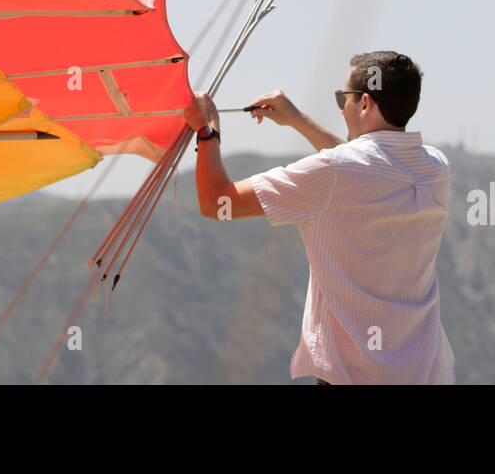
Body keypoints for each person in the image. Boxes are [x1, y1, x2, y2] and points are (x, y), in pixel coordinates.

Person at [185, 50, 455, 385]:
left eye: (343, 98)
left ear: (366, 103)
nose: (341, 107)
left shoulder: (337, 173)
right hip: (425, 374)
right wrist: (297, 119)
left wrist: (207, 130)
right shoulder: (434, 168)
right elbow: (364, 165)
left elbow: (216, 203)